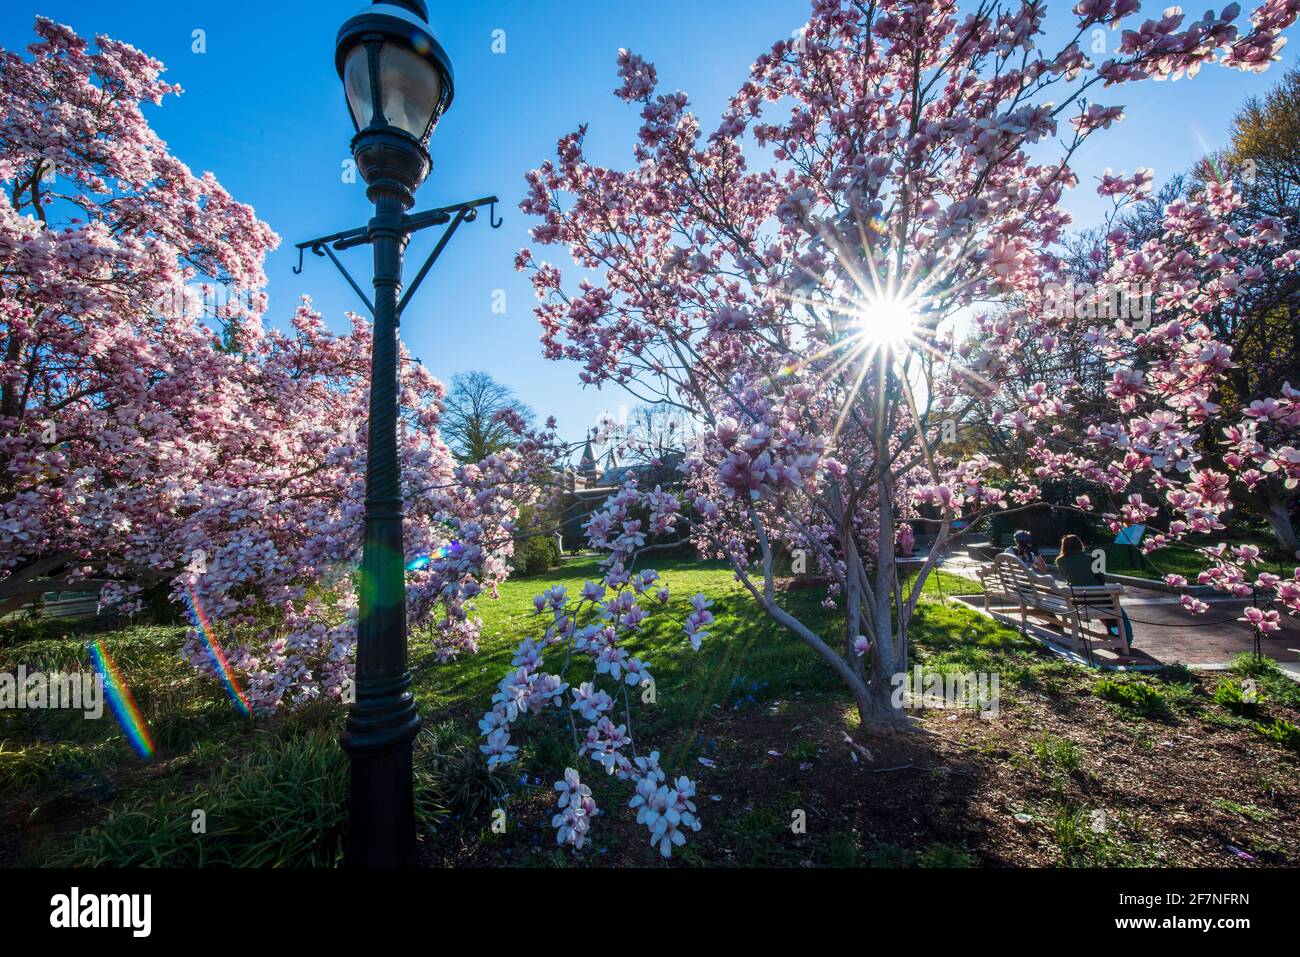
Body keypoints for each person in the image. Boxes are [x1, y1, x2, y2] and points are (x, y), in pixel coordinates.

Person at [1055, 534, 1132, 643]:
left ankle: (1114, 634)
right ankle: (1121, 638)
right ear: (1079, 545)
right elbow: (1101, 578)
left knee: (1101, 607)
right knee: (1114, 611)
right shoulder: (1092, 558)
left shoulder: (1060, 560)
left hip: (1078, 599)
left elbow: (1066, 575)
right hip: (1097, 597)